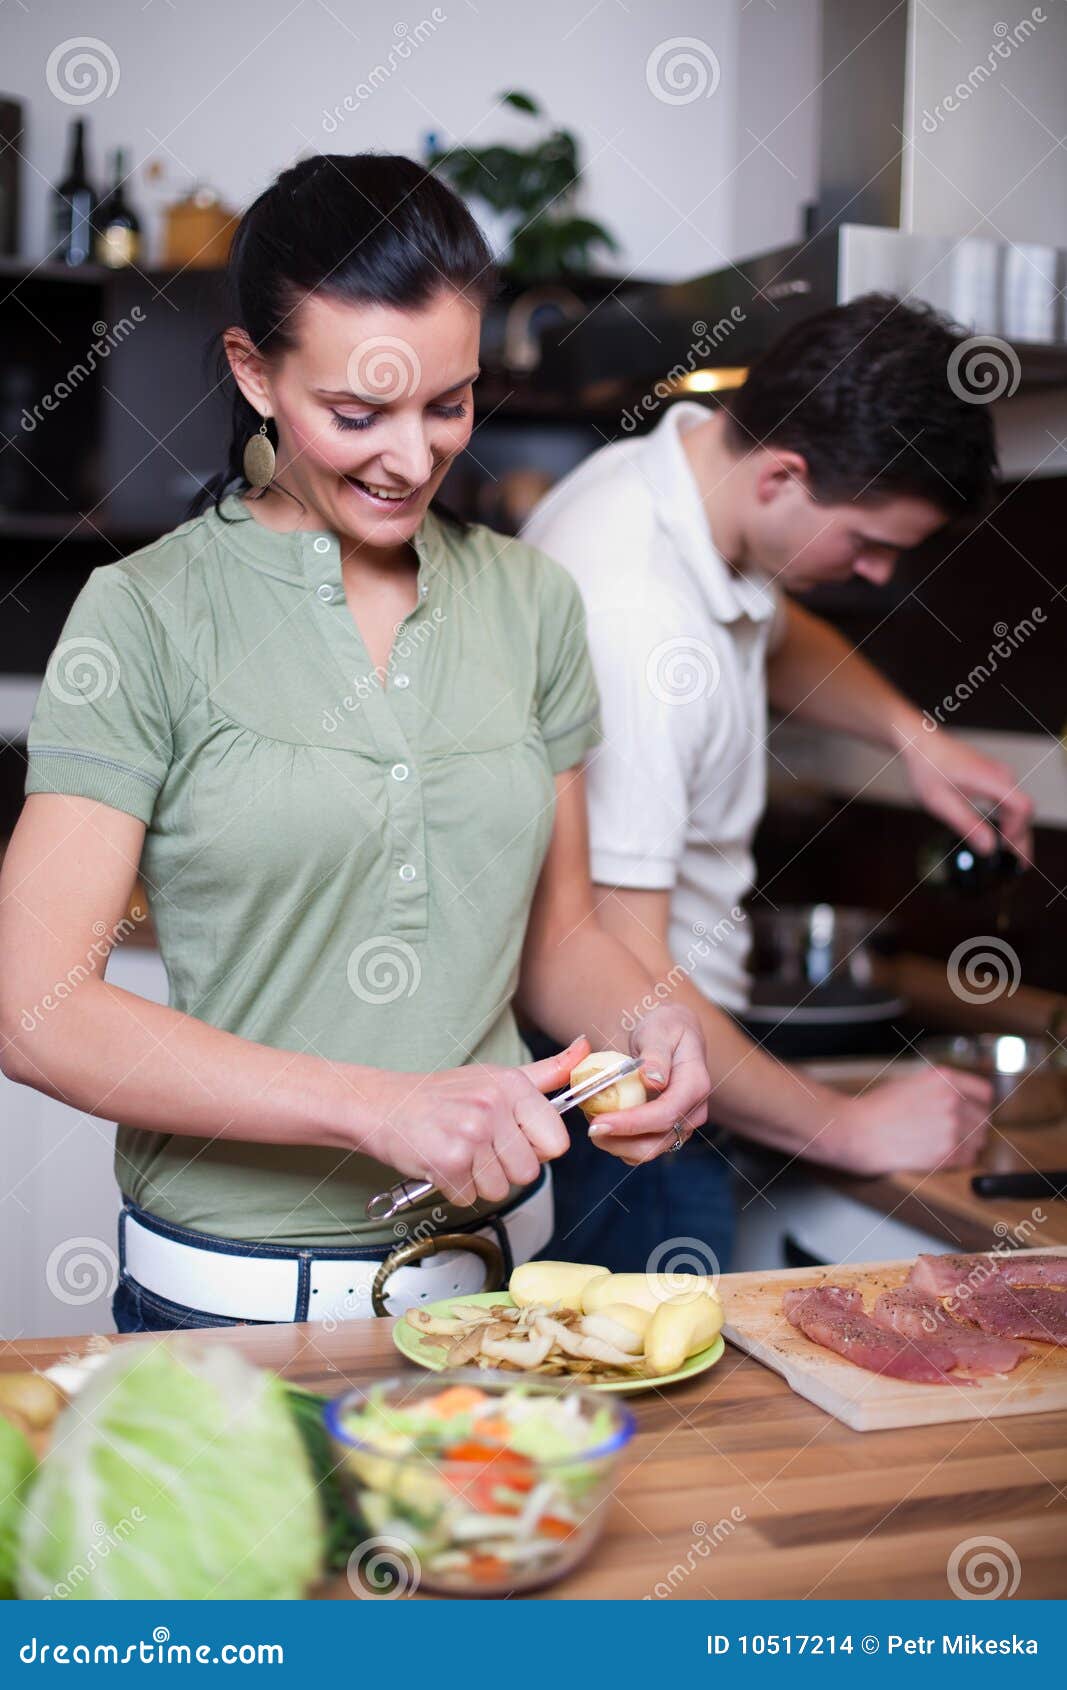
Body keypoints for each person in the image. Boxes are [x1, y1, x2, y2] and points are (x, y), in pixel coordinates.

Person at [0, 154, 712, 1334]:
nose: (410, 458)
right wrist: (376, 1107)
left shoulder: (528, 602)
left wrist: (652, 1023)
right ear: (254, 372)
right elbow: (34, 1006)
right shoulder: (144, 613)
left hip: (483, 1312)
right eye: (355, 413)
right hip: (218, 1321)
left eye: (448, 403)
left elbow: (564, 934)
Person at [523, 293, 1033, 1271]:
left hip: (669, 1071)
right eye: (867, 543)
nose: (876, 574)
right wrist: (846, 1128)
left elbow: (775, 630)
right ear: (784, 474)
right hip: (634, 1115)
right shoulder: (635, 620)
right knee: (661, 1415)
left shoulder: (680, 487)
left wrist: (912, 739)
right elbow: (623, 986)